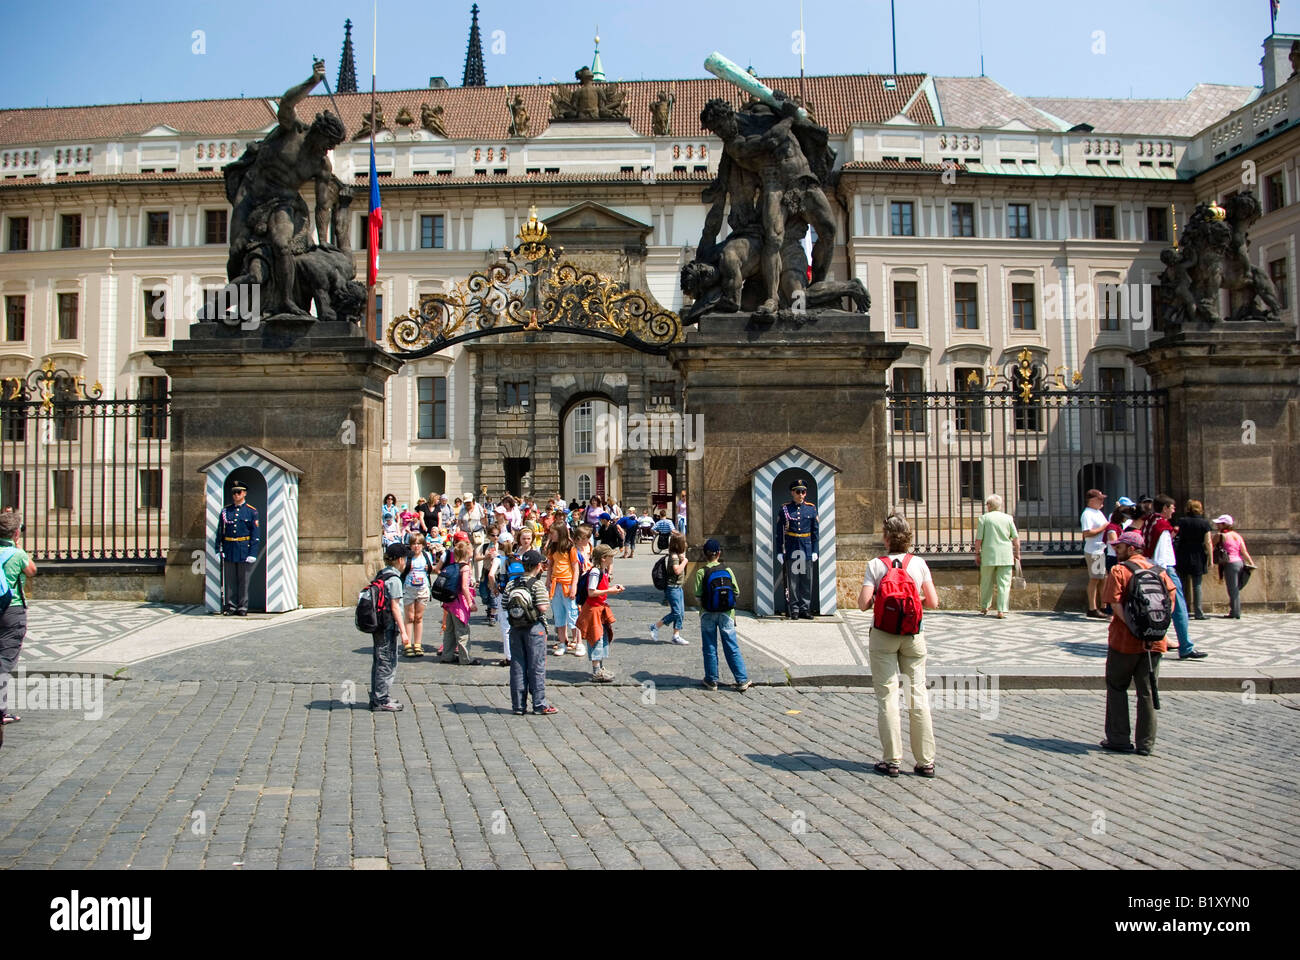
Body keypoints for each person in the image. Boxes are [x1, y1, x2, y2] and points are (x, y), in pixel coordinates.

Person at [857, 513, 940, 778]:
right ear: (908, 537)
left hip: (883, 635)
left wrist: (881, 599)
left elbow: (862, 604)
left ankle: (892, 760)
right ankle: (925, 761)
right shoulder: (919, 564)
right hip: (914, 635)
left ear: (886, 537)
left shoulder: (876, 565)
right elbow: (933, 602)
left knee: (887, 695)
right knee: (918, 695)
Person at [1100, 531, 1176, 755]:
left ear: (1132, 548)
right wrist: (1156, 627)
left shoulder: (1119, 570)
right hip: (1154, 641)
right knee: (1147, 692)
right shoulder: (1160, 572)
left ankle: (1118, 738)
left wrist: (1134, 627)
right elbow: (1170, 601)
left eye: (1120, 546)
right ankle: (1146, 744)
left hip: (1124, 641)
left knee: (1117, 687)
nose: (1116, 548)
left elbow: (1114, 603)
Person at [1143, 494, 1206, 659]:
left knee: (1155, 609)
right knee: (1179, 609)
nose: (1174, 511)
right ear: (1165, 508)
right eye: (1172, 507)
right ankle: (1185, 646)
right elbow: (1161, 555)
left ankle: (1153, 643)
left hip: (1150, 567)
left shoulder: (1149, 521)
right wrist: (1163, 575)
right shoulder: (1163, 526)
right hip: (1164, 570)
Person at [693, 538, 750, 692]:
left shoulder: (701, 572)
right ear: (719, 553)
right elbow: (736, 592)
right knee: (731, 646)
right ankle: (741, 679)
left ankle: (712, 680)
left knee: (709, 647)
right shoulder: (728, 570)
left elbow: (697, 596)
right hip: (727, 613)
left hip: (707, 613)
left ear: (705, 554)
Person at [506, 550, 557, 715]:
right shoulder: (537, 584)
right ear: (538, 566)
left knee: (517, 666)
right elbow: (543, 607)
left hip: (515, 628)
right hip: (534, 629)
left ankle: (518, 706)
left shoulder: (512, 583)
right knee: (536, 666)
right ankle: (539, 704)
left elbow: (505, 604)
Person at [0, 512, 36, 727]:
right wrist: (18, 545)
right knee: (4, 661)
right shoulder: (17, 553)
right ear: (16, 532)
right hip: (11, 611)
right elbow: (32, 571)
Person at [370, 542, 411, 712]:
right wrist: (404, 632)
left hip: (378, 623)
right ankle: (381, 699)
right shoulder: (394, 580)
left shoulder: (382, 574)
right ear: (400, 560)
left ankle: (379, 695)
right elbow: (395, 607)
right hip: (387, 625)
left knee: (379, 660)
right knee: (387, 662)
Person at [578, 544, 624, 683]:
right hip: (593, 610)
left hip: (600, 609)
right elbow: (591, 592)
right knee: (596, 638)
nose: (612, 559)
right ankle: (596, 670)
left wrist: (612, 588)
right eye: (611, 556)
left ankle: (600, 667)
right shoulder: (595, 572)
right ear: (604, 558)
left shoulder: (603, 571)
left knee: (603, 638)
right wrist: (610, 591)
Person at [775, 477, 819, 619]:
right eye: (798, 492)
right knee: (793, 581)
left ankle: (805, 609)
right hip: (792, 548)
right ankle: (794, 609)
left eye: (803, 492)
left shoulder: (811, 509)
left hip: (806, 548)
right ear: (792, 493)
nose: (801, 495)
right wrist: (779, 552)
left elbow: (815, 533)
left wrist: (815, 551)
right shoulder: (785, 509)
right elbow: (779, 533)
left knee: (806, 580)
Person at [216, 481, 260, 616]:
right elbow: (220, 532)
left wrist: (252, 552)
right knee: (229, 580)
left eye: (239, 492)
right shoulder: (226, 511)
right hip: (229, 548)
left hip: (243, 549)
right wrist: (218, 549)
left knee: (243, 580)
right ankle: (230, 606)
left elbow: (255, 535)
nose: (236, 495)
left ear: (244, 493)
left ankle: (242, 607)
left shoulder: (251, 511)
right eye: (234, 492)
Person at [436, 539, 481, 665]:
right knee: (462, 631)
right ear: (467, 552)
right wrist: (470, 602)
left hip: (449, 603)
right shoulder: (465, 567)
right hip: (459, 603)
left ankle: (447, 655)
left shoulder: (453, 565)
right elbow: (464, 587)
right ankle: (465, 658)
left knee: (449, 631)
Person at [974, 494, 1020, 618]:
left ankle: (985, 606)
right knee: (1004, 583)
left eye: (987, 504)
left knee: (986, 582)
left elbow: (979, 539)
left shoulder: (984, 518)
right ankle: (1002, 609)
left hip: (988, 554)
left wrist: (977, 553)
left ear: (989, 505)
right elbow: (1015, 538)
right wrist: (1017, 553)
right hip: (1005, 555)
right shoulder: (1008, 518)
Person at [546, 521, 582, 657]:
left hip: (568, 584)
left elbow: (576, 569)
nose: (551, 535)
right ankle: (562, 643)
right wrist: (548, 580)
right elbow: (550, 565)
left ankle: (578, 643)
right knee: (559, 616)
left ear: (559, 533)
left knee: (573, 615)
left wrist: (574, 586)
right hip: (556, 585)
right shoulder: (552, 547)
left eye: (552, 533)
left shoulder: (570, 547)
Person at [1174, 500, 1214, 620]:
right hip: (1198, 554)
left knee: (1182, 584)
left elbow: (1174, 535)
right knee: (1197, 585)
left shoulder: (1182, 521)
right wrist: (1211, 558)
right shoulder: (1204, 523)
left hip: (1183, 553)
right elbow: (1208, 542)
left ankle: (1183, 610)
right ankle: (1198, 612)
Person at [650, 530, 689, 645]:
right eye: (684, 542)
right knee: (676, 612)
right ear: (680, 544)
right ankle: (655, 626)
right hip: (673, 588)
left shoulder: (677, 555)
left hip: (678, 587)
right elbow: (677, 570)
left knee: (680, 612)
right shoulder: (674, 556)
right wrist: (685, 561)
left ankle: (676, 636)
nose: (686, 544)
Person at [1213, 515, 1256, 619]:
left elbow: (1211, 544)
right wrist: (1251, 563)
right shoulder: (1237, 536)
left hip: (1230, 563)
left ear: (1224, 524)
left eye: (1219, 523)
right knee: (1235, 588)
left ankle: (1235, 612)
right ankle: (1235, 610)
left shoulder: (1221, 535)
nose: (1217, 525)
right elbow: (1244, 551)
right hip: (1239, 562)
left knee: (1233, 589)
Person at [401, 533, 433, 657]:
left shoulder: (426, 555)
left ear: (423, 545)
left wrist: (430, 568)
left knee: (418, 617)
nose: (416, 546)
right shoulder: (407, 557)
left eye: (419, 543)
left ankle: (418, 644)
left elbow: (432, 569)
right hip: (409, 589)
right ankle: (407, 644)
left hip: (422, 589)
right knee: (409, 617)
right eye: (414, 543)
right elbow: (401, 570)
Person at [1080, 488, 1109, 619]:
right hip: (1094, 550)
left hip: (1100, 549)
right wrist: (1105, 527)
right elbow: (1087, 533)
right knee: (1095, 579)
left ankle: (1103, 606)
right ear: (1091, 500)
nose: (1102, 501)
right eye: (1099, 498)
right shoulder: (1087, 514)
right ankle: (1093, 608)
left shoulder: (1097, 512)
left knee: (1103, 578)